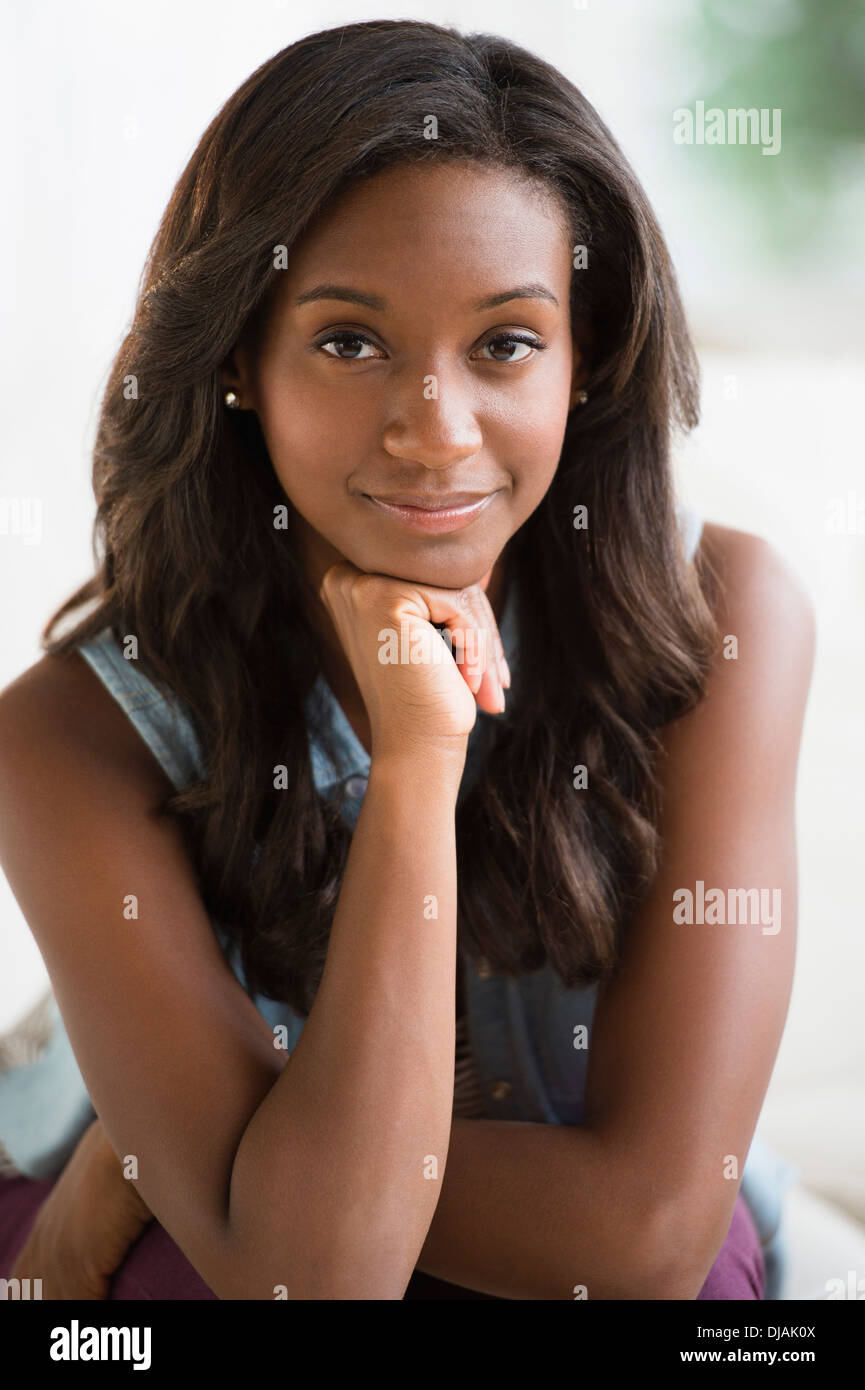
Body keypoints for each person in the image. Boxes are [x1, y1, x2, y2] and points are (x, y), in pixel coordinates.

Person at [0, 19, 812, 1300]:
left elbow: (645, 1232)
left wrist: (194, 1155)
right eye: (348, 341)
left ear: (582, 359)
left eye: (504, 344)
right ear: (235, 361)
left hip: (524, 1211)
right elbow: (307, 1274)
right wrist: (417, 765)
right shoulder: (73, 731)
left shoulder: (724, 615)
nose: (435, 432)